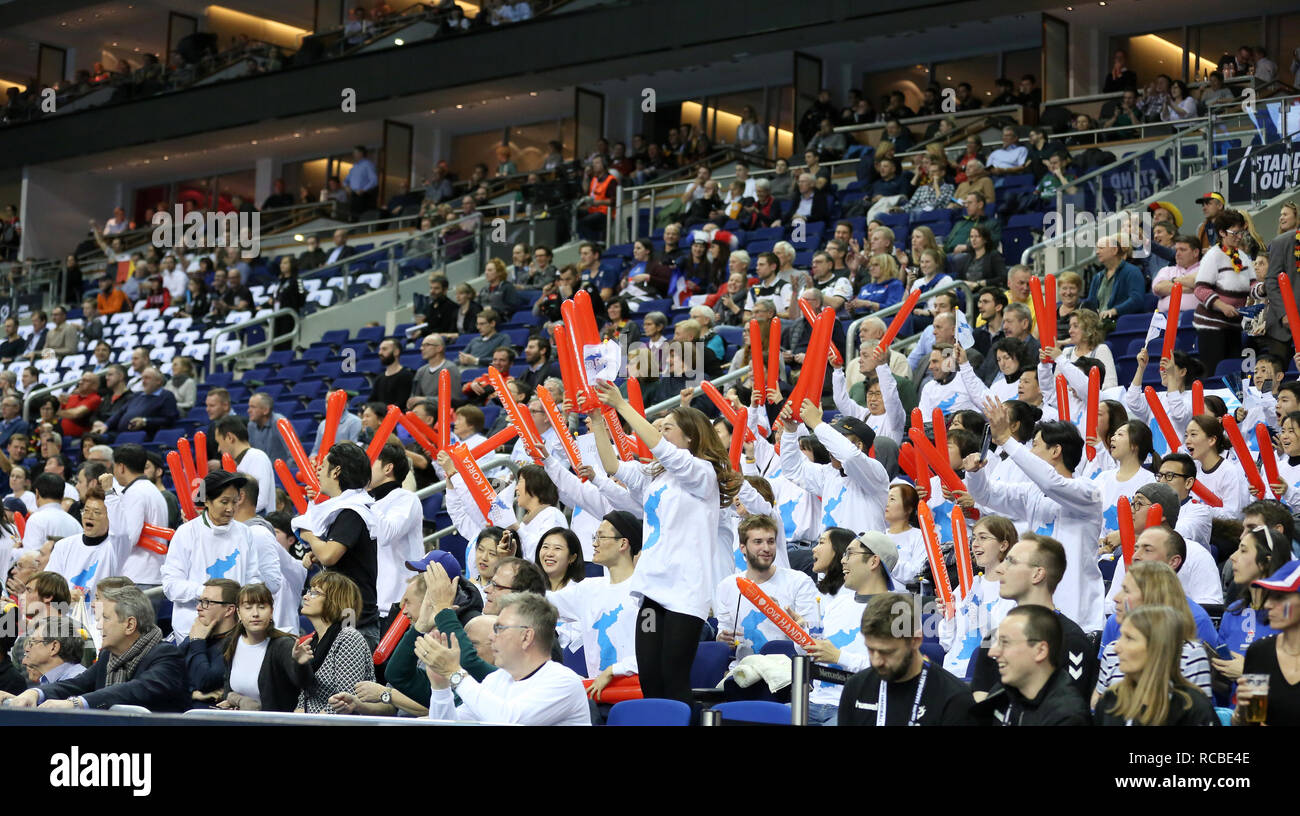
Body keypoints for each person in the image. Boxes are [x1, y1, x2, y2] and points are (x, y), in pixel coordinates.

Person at [591, 383, 741, 705]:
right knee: (650, 678)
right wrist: (596, 417)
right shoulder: (655, 475)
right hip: (652, 589)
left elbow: (663, 450)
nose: (659, 433)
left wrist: (622, 405)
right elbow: (612, 466)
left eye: (667, 428)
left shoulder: (703, 474)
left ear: (690, 436)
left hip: (685, 592)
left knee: (674, 678)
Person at [2, 585, 188, 711]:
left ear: (130, 625)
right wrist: (35, 693)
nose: (99, 626)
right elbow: (78, 684)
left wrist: (76, 704)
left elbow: (134, 690)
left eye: (105, 618)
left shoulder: (166, 656)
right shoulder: (109, 656)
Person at [838, 592, 977, 726]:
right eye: (870, 649)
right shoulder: (856, 687)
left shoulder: (953, 699)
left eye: (887, 652)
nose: (876, 661)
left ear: (916, 640)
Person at [295, 443, 380, 649]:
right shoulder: (344, 509)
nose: (319, 471)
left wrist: (309, 536)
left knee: (347, 683)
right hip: (340, 618)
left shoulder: (352, 511)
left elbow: (329, 556)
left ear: (337, 471)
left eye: (323, 466)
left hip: (353, 623)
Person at [162, 471, 265, 639]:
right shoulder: (186, 533)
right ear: (207, 501)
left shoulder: (245, 533)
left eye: (234, 501)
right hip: (192, 628)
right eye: (224, 502)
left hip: (234, 629)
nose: (230, 509)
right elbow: (171, 585)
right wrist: (209, 594)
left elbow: (252, 578)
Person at [714, 515, 820, 666]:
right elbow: (723, 631)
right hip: (743, 671)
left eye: (771, 541)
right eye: (758, 542)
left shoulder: (799, 581)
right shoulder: (727, 585)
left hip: (787, 671)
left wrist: (781, 617)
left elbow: (814, 637)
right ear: (742, 547)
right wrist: (722, 638)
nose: (766, 548)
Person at [1093, 604, 1218, 726]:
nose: (1116, 648)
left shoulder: (1193, 708)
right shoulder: (1110, 702)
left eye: (1129, 638)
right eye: (1121, 636)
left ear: (1158, 647)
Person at [974, 604, 1090, 725]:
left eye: (1006, 643)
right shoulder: (1000, 694)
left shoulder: (1066, 716)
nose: (992, 652)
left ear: (1040, 651)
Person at [215, 582, 305, 712]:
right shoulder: (231, 641)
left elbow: (304, 684)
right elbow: (228, 684)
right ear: (239, 613)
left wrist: (300, 664)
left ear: (271, 612)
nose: (255, 613)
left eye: (262, 607)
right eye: (248, 607)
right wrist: (230, 700)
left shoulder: (283, 645)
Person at [296, 571, 375, 713]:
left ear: (334, 600)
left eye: (315, 593)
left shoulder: (348, 638)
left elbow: (346, 700)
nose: (306, 597)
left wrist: (317, 719)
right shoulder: (313, 641)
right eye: (308, 591)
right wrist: (300, 711)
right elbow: (306, 694)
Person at [1193, 208, 1253, 376]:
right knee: (1214, 373)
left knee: (1233, 373)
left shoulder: (1242, 256)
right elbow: (1200, 288)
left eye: (1241, 232)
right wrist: (1222, 305)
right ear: (1222, 232)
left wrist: (1261, 289)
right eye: (1235, 233)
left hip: (1234, 325)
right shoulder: (1213, 255)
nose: (1239, 237)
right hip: (1212, 325)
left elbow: (1253, 282)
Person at [1241, 560, 1300, 726]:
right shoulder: (1259, 652)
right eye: (1270, 596)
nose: (1267, 604)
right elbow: (1252, 720)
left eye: (1280, 597)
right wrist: (1241, 711)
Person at [369, 442, 423, 622]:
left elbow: (387, 534)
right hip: (372, 603)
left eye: (371, 462)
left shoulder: (406, 498)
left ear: (388, 468)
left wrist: (365, 498)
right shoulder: (368, 501)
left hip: (400, 603)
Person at [183, 578, 242, 703]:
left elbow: (205, 681)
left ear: (229, 610)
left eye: (207, 602)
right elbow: (165, 677)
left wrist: (197, 642)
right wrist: (191, 693)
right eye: (200, 601)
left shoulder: (239, 644)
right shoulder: (194, 637)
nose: (199, 607)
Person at [213, 416, 275, 515]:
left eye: (219, 443)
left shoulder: (257, 457)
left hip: (259, 523)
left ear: (230, 437)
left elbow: (260, 500)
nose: (219, 449)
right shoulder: (240, 462)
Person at [20, 614, 86, 686]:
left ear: (54, 647)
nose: (27, 648)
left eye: (33, 642)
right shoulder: (49, 680)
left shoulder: (77, 681)